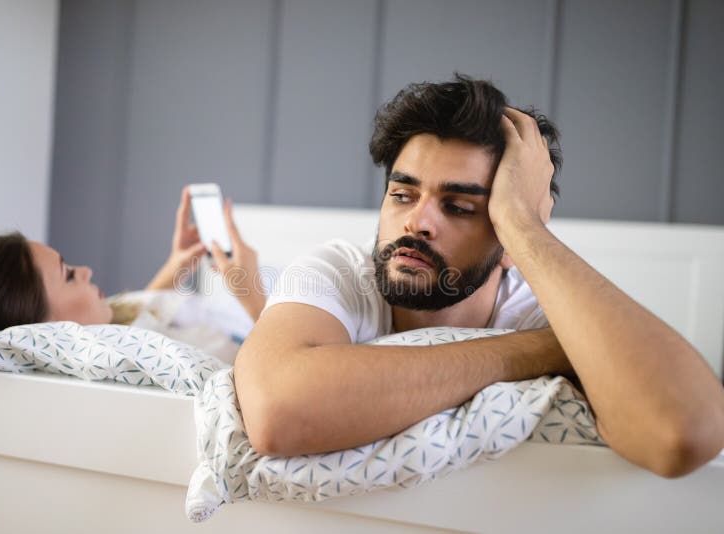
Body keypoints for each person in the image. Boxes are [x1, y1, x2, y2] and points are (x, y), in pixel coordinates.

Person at [234, 73, 724, 478]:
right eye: (402, 195)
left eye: (461, 206)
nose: (417, 222)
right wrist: (546, 351)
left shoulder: (538, 305)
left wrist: (522, 225)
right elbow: (277, 411)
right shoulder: (342, 270)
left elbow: (683, 432)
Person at [0, 188, 266, 335]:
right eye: (69, 275)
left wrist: (174, 267)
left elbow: (137, 317)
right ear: (43, 327)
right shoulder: (137, 363)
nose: (85, 270)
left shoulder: (106, 329)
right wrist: (253, 297)